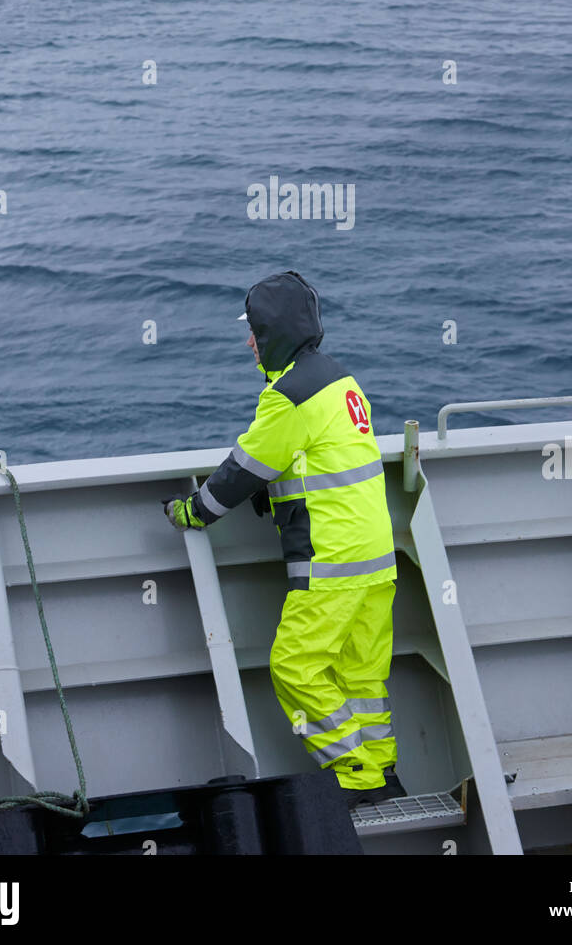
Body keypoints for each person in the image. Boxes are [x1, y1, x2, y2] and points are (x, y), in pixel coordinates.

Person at [162, 270, 405, 810]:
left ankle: (356, 774)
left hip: (331, 563)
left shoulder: (288, 395)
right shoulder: (341, 381)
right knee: (361, 673)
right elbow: (324, 462)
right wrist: (277, 495)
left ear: (273, 333)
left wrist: (189, 512)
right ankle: (384, 770)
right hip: (376, 557)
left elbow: (241, 469)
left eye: (254, 330)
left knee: (293, 666)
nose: (249, 341)